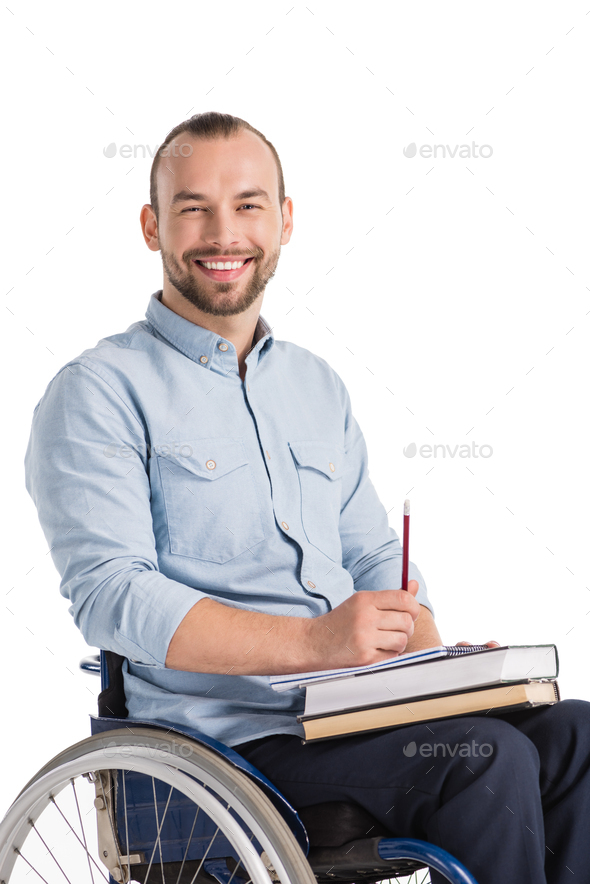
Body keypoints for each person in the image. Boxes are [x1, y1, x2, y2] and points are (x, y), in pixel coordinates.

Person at [24, 111, 590, 884]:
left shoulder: (315, 386)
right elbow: (112, 595)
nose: (224, 233)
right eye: (194, 208)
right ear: (153, 226)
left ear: (284, 221)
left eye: (248, 205)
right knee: (485, 760)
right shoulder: (98, 391)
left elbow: (372, 553)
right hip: (226, 750)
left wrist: (429, 652)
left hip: (358, 714)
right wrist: (316, 644)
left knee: (575, 735)